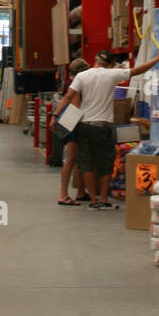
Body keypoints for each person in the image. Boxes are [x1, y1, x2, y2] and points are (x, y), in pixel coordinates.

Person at [67, 49, 159, 210]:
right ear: (110, 64)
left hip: (84, 125)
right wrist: (157, 58)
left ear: (95, 59)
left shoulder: (82, 76)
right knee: (106, 164)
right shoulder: (113, 74)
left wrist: (56, 116)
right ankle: (103, 199)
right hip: (103, 127)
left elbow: (69, 96)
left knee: (86, 164)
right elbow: (139, 70)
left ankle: (92, 200)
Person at [52, 58, 89, 206]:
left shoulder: (68, 81)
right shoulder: (75, 84)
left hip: (69, 121)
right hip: (74, 123)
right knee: (71, 159)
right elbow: (76, 105)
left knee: (77, 160)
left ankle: (80, 192)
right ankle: (63, 195)